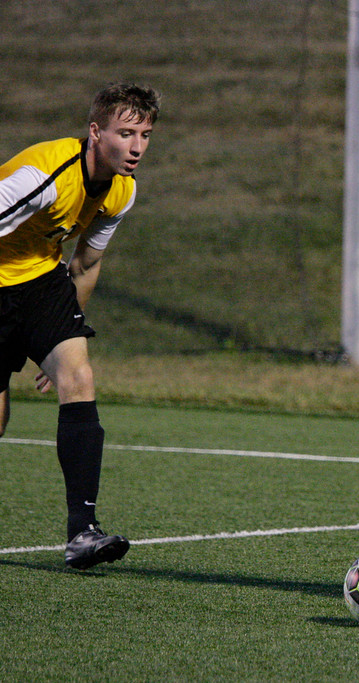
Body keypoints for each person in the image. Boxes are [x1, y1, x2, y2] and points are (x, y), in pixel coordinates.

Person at [0, 82, 160, 569]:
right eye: (125, 133)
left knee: (79, 374)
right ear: (95, 131)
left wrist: (61, 338)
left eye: (146, 134)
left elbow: (86, 265)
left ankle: (82, 533)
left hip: (41, 282)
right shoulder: (42, 177)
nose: (136, 147)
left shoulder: (121, 191)